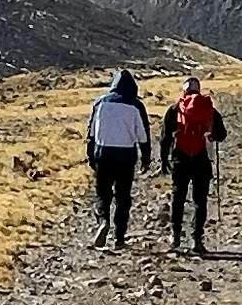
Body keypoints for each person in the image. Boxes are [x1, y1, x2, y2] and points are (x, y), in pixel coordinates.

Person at [161, 73, 226, 254]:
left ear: (184, 90)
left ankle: (175, 236)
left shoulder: (175, 109)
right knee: (200, 201)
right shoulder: (209, 109)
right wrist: (211, 136)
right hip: (202, 158)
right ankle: (197, 239)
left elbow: (165, 138)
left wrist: (164, 159)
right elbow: (222, 135)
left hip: (180, 158)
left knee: (178, 198)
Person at [84, 68, 150, 245]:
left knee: (103, 193)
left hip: (103, 152)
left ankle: (103, 221)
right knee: (123, 197)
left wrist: (91, 155)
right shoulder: (136, 105)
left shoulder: (100, 102)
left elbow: (91, 132)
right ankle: (119, 237)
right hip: (126, 155)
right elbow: (143, 135)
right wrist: (146, 157)